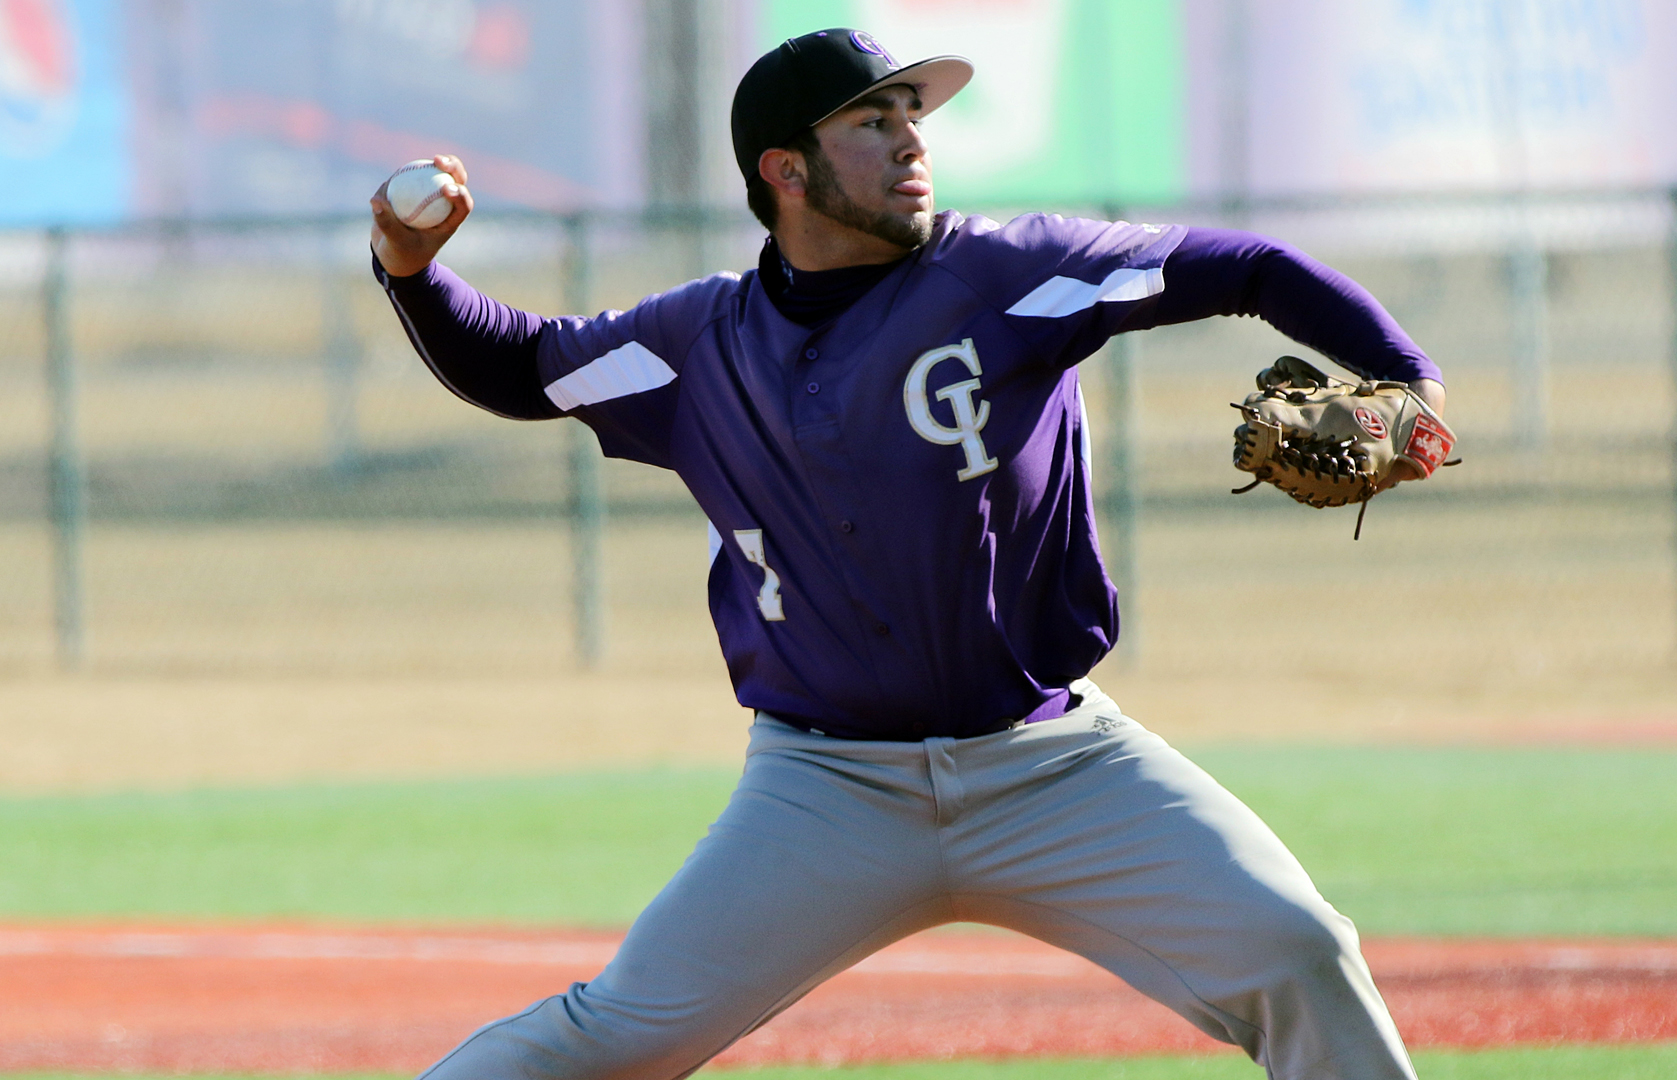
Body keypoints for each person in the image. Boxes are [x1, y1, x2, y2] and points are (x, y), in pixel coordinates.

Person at [371, 28, 1443, 1080]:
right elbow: (520, 366)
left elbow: (1243, 266)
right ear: (785, 170)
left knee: (1302, 955)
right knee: (615, 1038)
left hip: (1054, 765)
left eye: (913, 117)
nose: (911, 140)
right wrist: (411, 274)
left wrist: (1408, 377)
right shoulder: (698, 347)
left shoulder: (1006, 275)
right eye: (871, 121)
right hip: (824, 789)